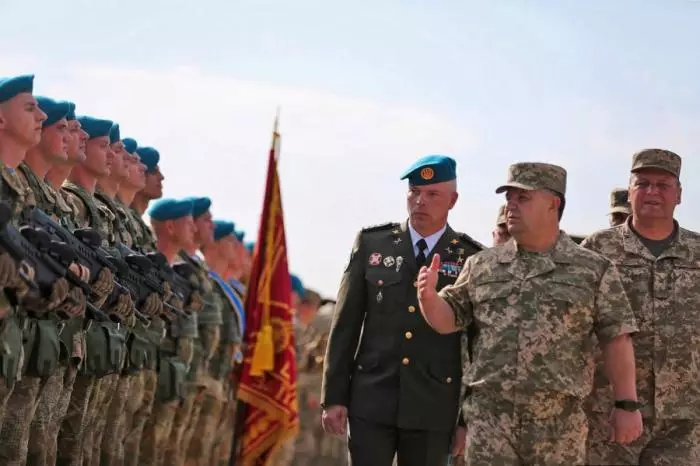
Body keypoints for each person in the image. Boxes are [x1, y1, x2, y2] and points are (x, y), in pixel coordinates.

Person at [417, 162, 643, 465]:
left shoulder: (593, 269)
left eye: (522, 198)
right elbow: (447, 321)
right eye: (508, 198)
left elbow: (616, 339)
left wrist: (626, 404)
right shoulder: (483, 265)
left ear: (553, 204)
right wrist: (429, 298)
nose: (511, 206)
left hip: (558, 427)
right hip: (490, 423)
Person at [321, 155, 483, 466]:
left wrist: (466, 419)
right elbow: (345, 325)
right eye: (414, 192)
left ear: (453, 200)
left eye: (432, 194)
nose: (420, 201)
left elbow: (477, 347)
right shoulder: (373, 245)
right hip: (372, 400)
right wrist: (334, 397)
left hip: (434, 407)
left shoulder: (471, 259)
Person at [582, 149, 700, 465]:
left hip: (684, 417)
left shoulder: (698, 251)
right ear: (630, 190)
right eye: (643, 183)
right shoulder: (598, 248)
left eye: (663, 185)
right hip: (609, 410)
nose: (652, 192)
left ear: (679, 195)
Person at [58, 115, 135, 465]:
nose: (118, 158)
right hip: (64, 338)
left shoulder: (108, 212)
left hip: (97, 342)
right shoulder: (71, 202)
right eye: (109, 147)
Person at [141, 197, 202, 466]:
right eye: (189, 223)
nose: (195, 229)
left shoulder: (182, 272)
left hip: (172, 375)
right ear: (170, 227)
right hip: (144, 368)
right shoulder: (146, 266)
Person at [165, 196, 223, 466]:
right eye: (205, 220)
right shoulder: (177, 262)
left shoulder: (197, 266)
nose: (210, 225)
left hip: (193, 371)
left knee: (179, 450)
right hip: (174, 369)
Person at [188, 219, 244, 466]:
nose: (237, 248)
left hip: (220, 383)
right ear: (217, 245)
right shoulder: (205, 282)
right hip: (202, 381)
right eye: (231, 241)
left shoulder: (230, 291)